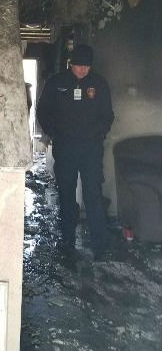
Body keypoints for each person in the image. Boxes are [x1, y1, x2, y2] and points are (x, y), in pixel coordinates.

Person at [36, 44, 114, 262]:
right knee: (66, 194)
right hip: (66, 147)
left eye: (86, 66)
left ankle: (100, 245)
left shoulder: (99, 84)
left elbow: (108, 115)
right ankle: (67, 241)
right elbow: (42, 110)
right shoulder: (57, 83)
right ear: (71, 64)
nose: (82, 70)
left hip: (91, 149)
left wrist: (98, 134)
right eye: (79, 66)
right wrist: (54, 133)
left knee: (93, 194)